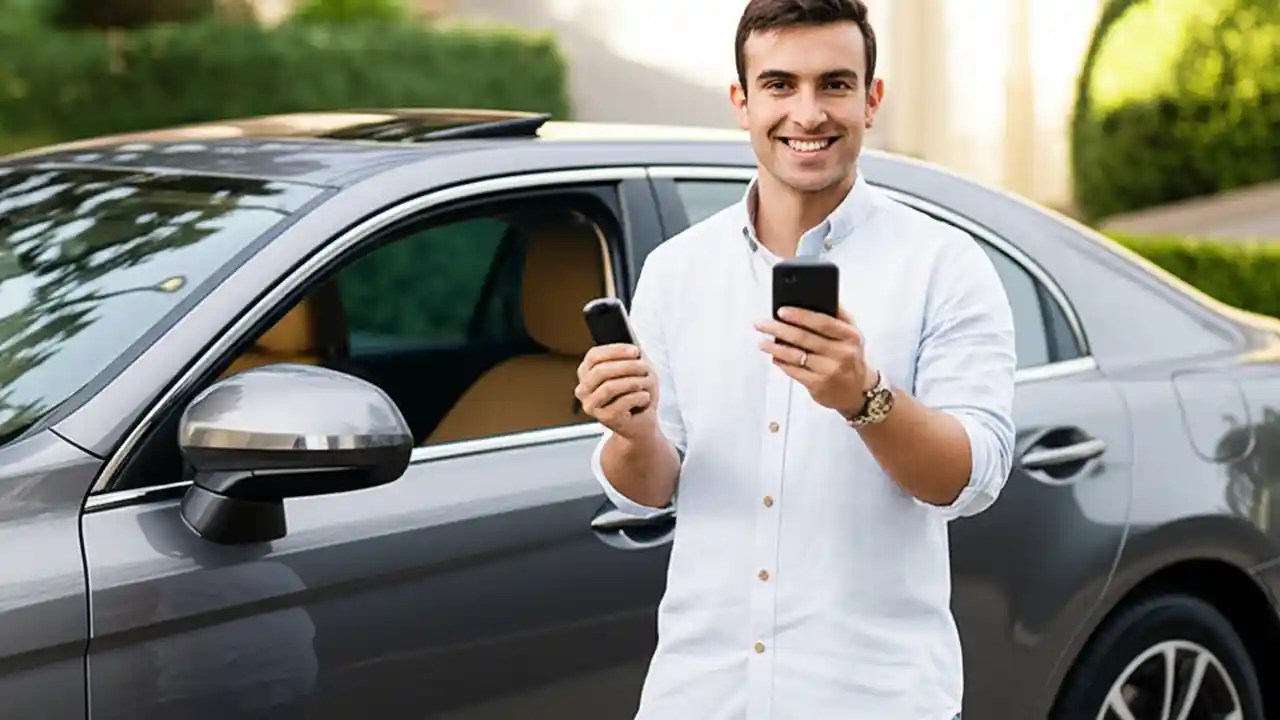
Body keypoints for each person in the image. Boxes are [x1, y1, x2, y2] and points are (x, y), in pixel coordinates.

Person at [573, 0, 1016, 717]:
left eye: (834, 85)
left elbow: (971, 480)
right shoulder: (676, 270)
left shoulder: (944, 265)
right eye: (780, 85)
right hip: (699, 694)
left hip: (874, 698)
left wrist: (865, 399)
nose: (807, 113)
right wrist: (633, 431)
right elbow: (651, 488)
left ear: (872, 100)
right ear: (741, 102)